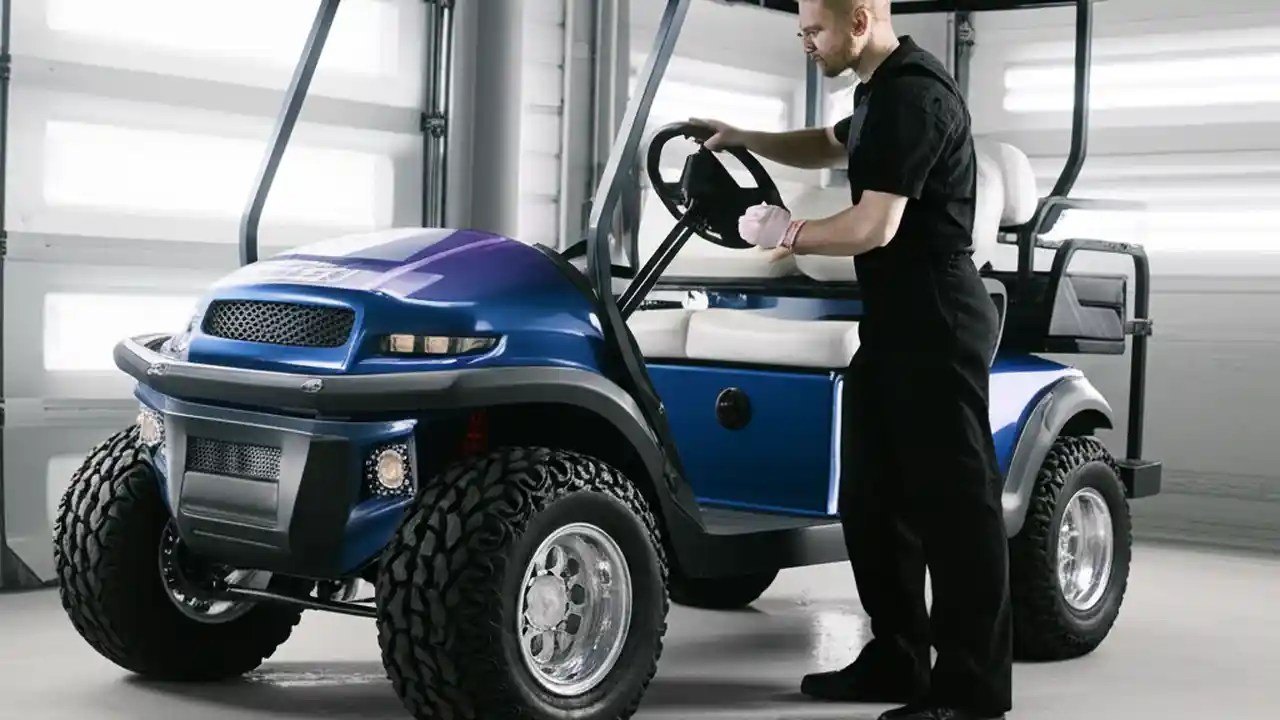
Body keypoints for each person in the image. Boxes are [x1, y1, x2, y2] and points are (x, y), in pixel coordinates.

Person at [689, 1, 1011, 719]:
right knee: (873, 499)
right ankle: (899, 657)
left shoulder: (913, 94)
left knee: (955, 509)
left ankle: (970, 690)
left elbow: (873, 225)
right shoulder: (876, 91)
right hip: (895, 318)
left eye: (814, 30)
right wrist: (746, 138)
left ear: (860, 18)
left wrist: (788, 230)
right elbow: (830, 143)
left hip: (937, 315)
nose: (805, 41)